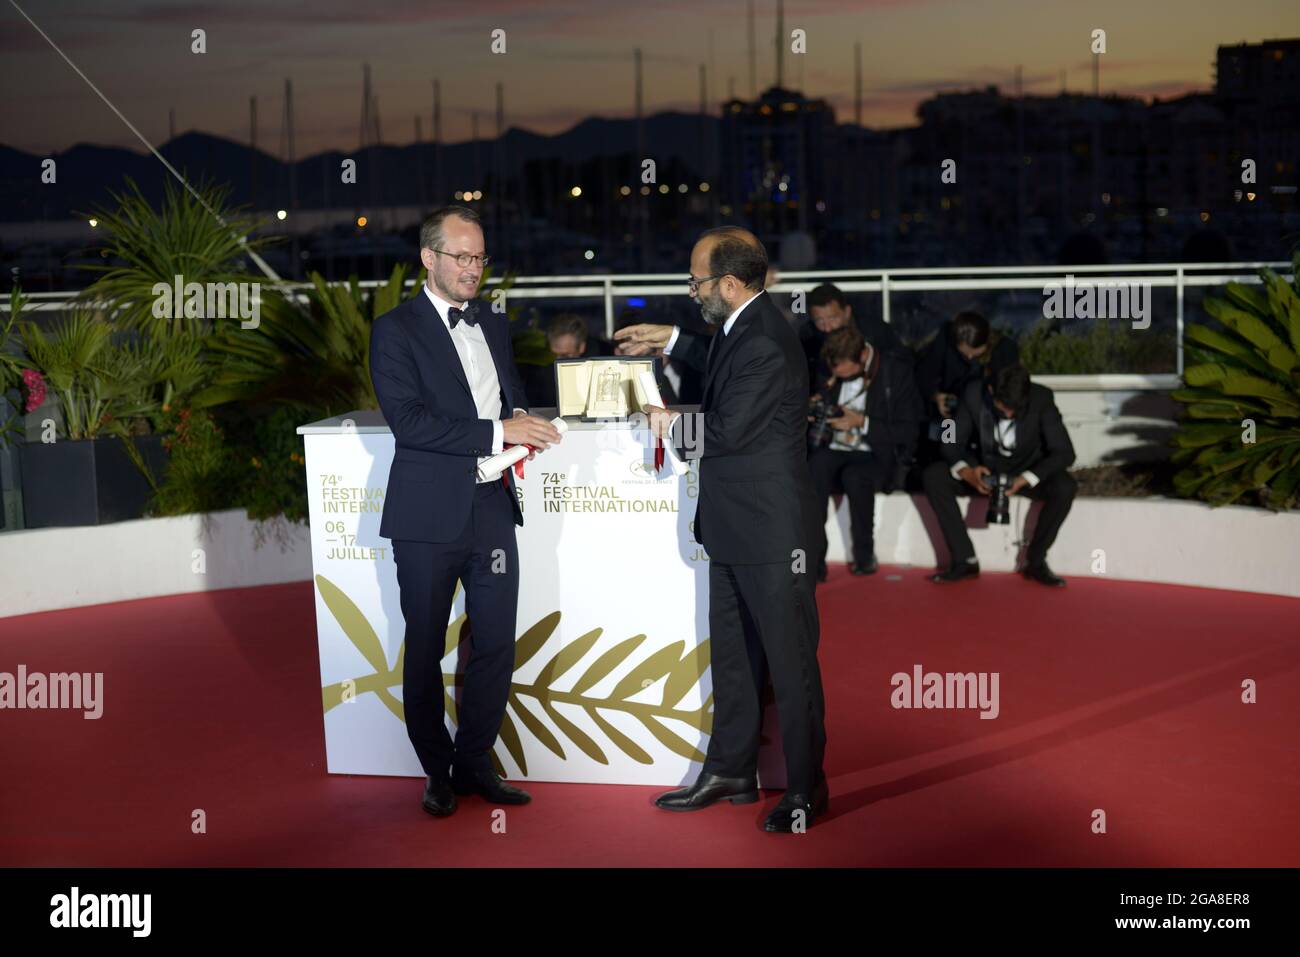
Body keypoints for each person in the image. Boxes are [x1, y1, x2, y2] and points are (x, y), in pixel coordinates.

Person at [616, 227, 828, 832]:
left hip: (771, 533)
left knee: (791, 668)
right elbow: (720, 362)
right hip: (736, 528)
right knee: (734, 660)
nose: (692, 290)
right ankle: (732, 769)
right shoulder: (746, 327)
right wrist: (675, 339)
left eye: (697, 282)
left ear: (729, 285)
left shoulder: (764, 340)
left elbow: (729, 428)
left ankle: (809, 791)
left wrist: (663, 421)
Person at [369, 205, 562, 817]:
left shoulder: (494, 324)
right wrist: (497, 430)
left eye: (480, 257)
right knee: (425, 647)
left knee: (497, 643)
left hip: (492, 508)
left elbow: (508, 396)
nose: (473, 268)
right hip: (427, 515)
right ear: (429, 258)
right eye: (462, 256)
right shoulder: (394, 330)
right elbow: (410, 424)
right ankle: (437, 772)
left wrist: (526, 424)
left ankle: (476, 761)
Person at [922, 363, 1076, 587]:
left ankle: (1036, 560)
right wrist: (967, 472)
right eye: (1004, 407)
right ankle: (964, 559)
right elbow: (948, 443)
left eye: (1017, 408)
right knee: (933, 475)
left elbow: (1065, 453)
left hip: (1025, 472)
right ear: (991, 391)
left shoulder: (1042, 398)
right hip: (982, 472)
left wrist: (1026, 478)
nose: (1010, 414)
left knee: (1065, 486)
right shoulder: (970, 393)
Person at [807, 326, 923, 580]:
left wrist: (862, 422)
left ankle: (864, 554)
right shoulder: (832, 365)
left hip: (876, 451)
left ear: (861, 359)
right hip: (833, 447)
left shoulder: (895, 372)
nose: (835, 373)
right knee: (815, 468)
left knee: (855, 476)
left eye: (840, 369)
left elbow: (909, 431)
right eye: (832, 368)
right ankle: (814, 562)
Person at [798, 283, 902, 395]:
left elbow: (899, 367)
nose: (827, 328)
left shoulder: (875, 331)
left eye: (833, 318)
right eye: (819, 321)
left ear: (847, 312)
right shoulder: (808, 337)